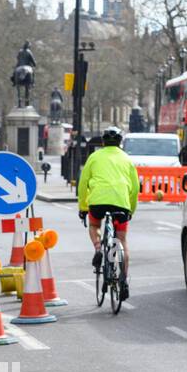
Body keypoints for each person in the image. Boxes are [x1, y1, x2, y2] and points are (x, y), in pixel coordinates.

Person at [77, 126, 139, 299]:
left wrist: (83, 207)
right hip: (121, 203)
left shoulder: (94, 157)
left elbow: (83, 184)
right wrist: (131, 209)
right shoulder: (127, 159)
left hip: (98, 202)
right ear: (120, 143)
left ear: (103, 142)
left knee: (95, 224)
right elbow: (135, 189)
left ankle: (98, 248)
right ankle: (123, 280)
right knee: (121, 240)